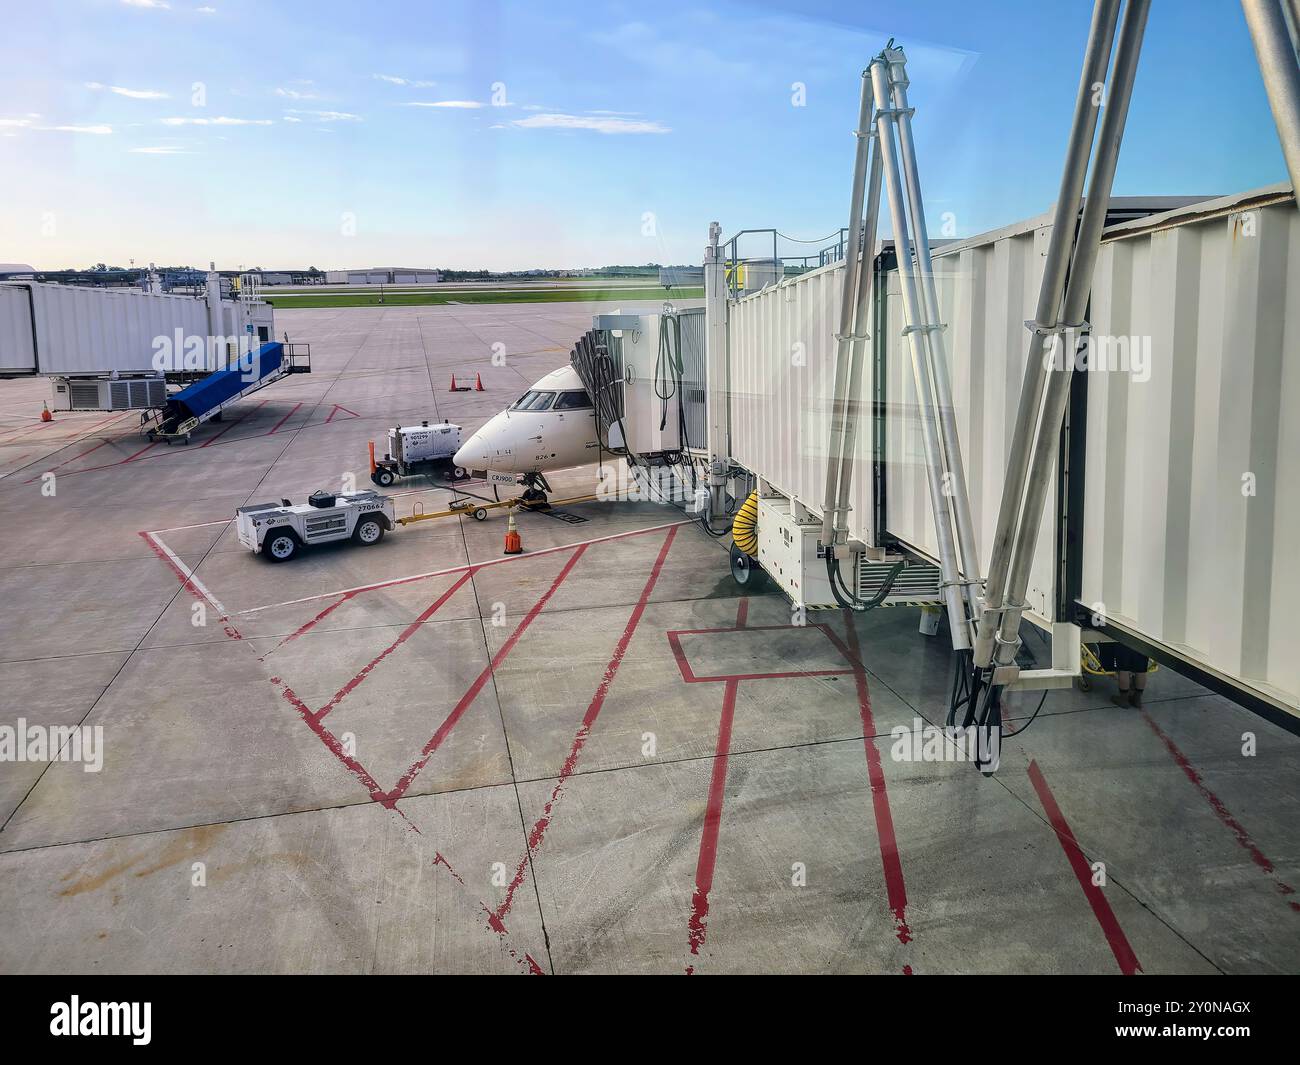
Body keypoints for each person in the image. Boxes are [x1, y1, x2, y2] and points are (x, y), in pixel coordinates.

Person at [1098, 640, 1151, 707]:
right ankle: (1137, 700)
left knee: (1124, 669)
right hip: (1142, 637)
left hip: (1125, 637)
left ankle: (1123, 700)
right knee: (1141, 669)